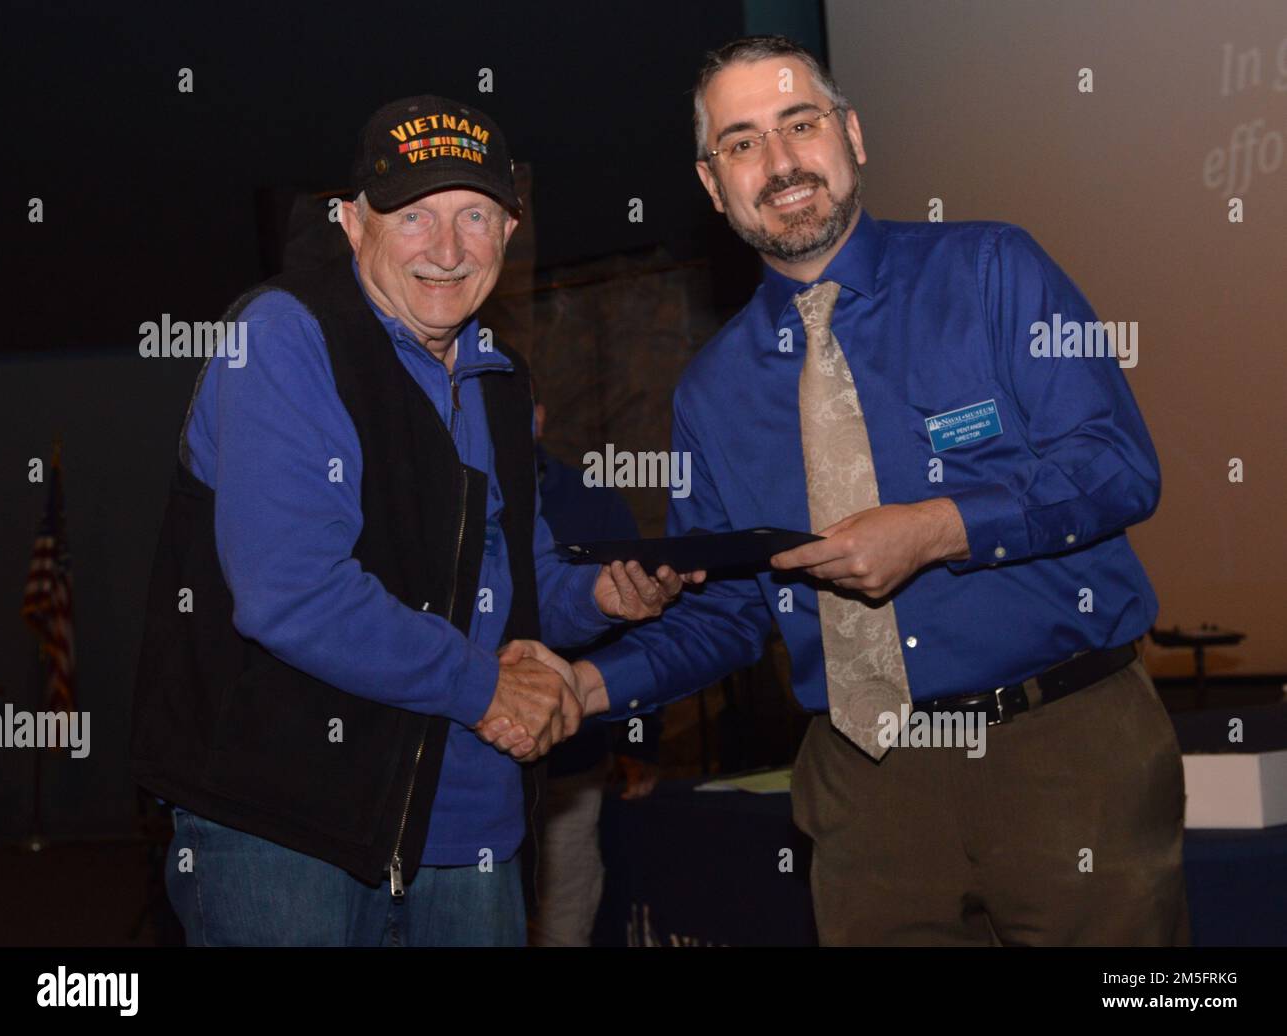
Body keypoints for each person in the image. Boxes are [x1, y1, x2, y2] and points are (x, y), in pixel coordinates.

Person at [507, 36, 1187, 946]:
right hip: (867, 787)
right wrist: (587, 687)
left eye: (800, 124)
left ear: (852, 136)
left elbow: (1116, 466)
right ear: (713, 186)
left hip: (1066, 749)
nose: (781, 162)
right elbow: (733, 615)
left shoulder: (992, 271)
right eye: (742, 143)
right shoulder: (712, 392)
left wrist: (940, 528)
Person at [129, 94, 698, 947]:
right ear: (354, 225)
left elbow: (516, 579)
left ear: (508, 230)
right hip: (288, 827)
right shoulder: (285, 337)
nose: (446, 248)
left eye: (474, 214)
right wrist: (490, 687)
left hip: (470, 831)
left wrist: (601, 599)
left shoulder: (502, 383)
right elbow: (293, 593)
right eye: (413, 215)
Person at [529, 393, 662, 947]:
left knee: (564, 910)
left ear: (539, 413)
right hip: (457, 764)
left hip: (572, 756)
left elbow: (640, 624)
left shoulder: (591, 500)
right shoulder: (434, 491)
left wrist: (642, 739)